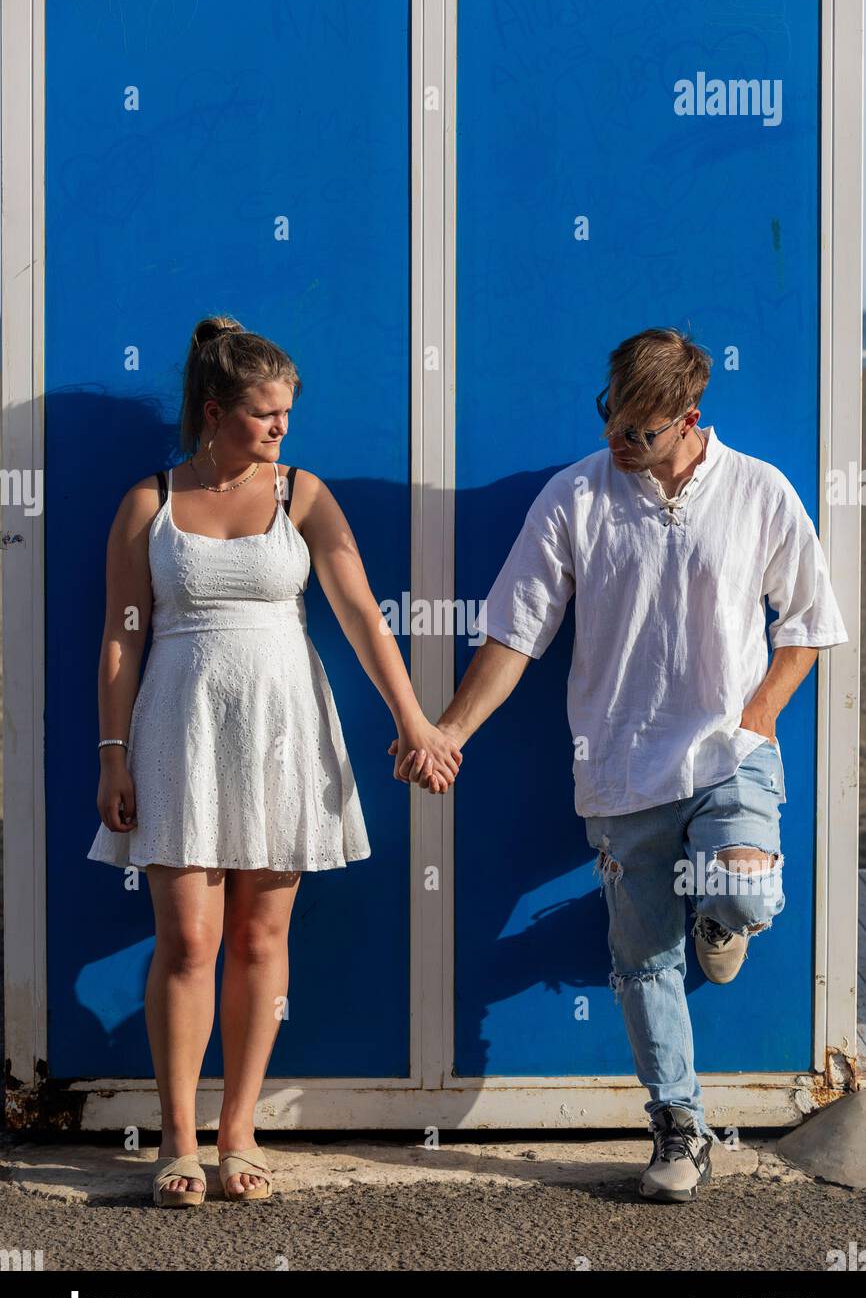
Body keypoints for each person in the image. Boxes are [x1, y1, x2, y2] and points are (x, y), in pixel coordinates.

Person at [392, 326, 849, 1204]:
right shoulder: (575, 497)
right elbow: (514, 634)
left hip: (729, 758)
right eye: (610, 416)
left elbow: (809, 625)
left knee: (747, 893)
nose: (615, 440)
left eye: (637, 431)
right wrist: (448, 729)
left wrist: (754, 720)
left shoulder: (759, 491)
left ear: (689, 419)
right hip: (619, 768)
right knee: (643, 964)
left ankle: (719, 922)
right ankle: (680, 1125)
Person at [87, 315, 462, 1206]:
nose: (279, 430)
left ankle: (239, 1130)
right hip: (178, 732)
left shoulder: (304, 495)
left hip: (283, 729)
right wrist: (112, 757)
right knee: (187, 938)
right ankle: (176, 1138)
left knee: (261, 937)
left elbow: (365, 616)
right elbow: (120, 638)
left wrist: (415, 723)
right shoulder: (151, 502)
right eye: (263, 414)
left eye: (286, 413)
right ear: (214, 411)